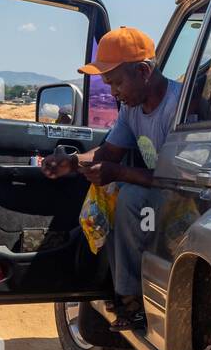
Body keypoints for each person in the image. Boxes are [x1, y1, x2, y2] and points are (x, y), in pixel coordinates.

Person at [40, 27, 181, 332]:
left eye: (117, 83)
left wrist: (119, 173)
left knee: (128, 196)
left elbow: (179, 179)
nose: (113, 92)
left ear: (143, 71)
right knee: (117, 193)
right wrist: (73, 163)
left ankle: (130, 301)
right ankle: (122, 291)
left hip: (188, 201)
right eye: (108, 84)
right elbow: (109, 153)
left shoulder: (178, 108)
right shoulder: (132, 110)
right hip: (162, 197)